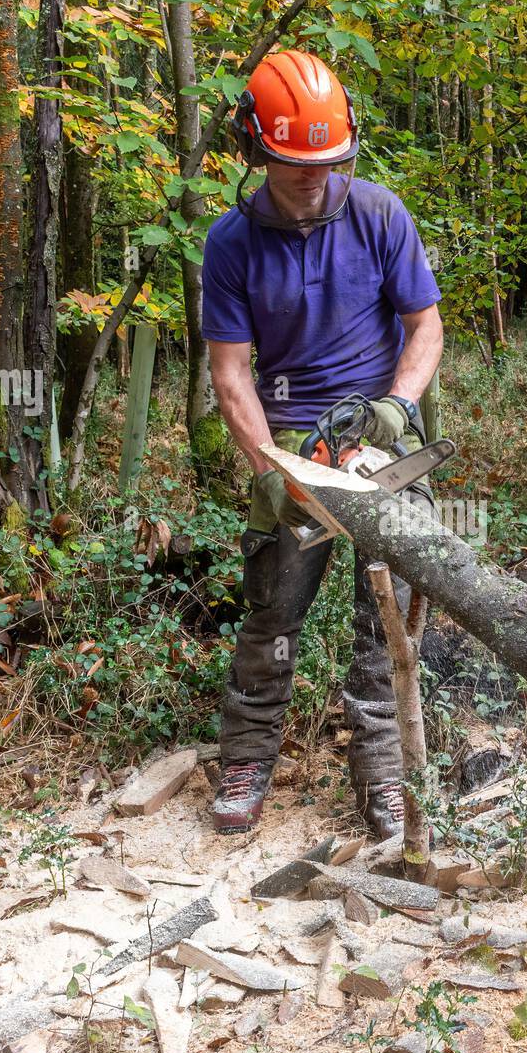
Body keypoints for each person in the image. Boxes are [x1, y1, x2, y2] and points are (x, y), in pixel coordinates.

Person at [202, 49, 444, 839]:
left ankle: (384, 773)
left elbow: (425, 326)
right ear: (255, 152)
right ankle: (246, 757)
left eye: (327, 162)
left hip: (378, 436)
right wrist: (270, 467)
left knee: (388, 620)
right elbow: (231, 374)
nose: (313, 177)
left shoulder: (378, 213)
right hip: (292, 436)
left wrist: (396, 411)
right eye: (292, 164)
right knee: (272, 615)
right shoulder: (230, 244)